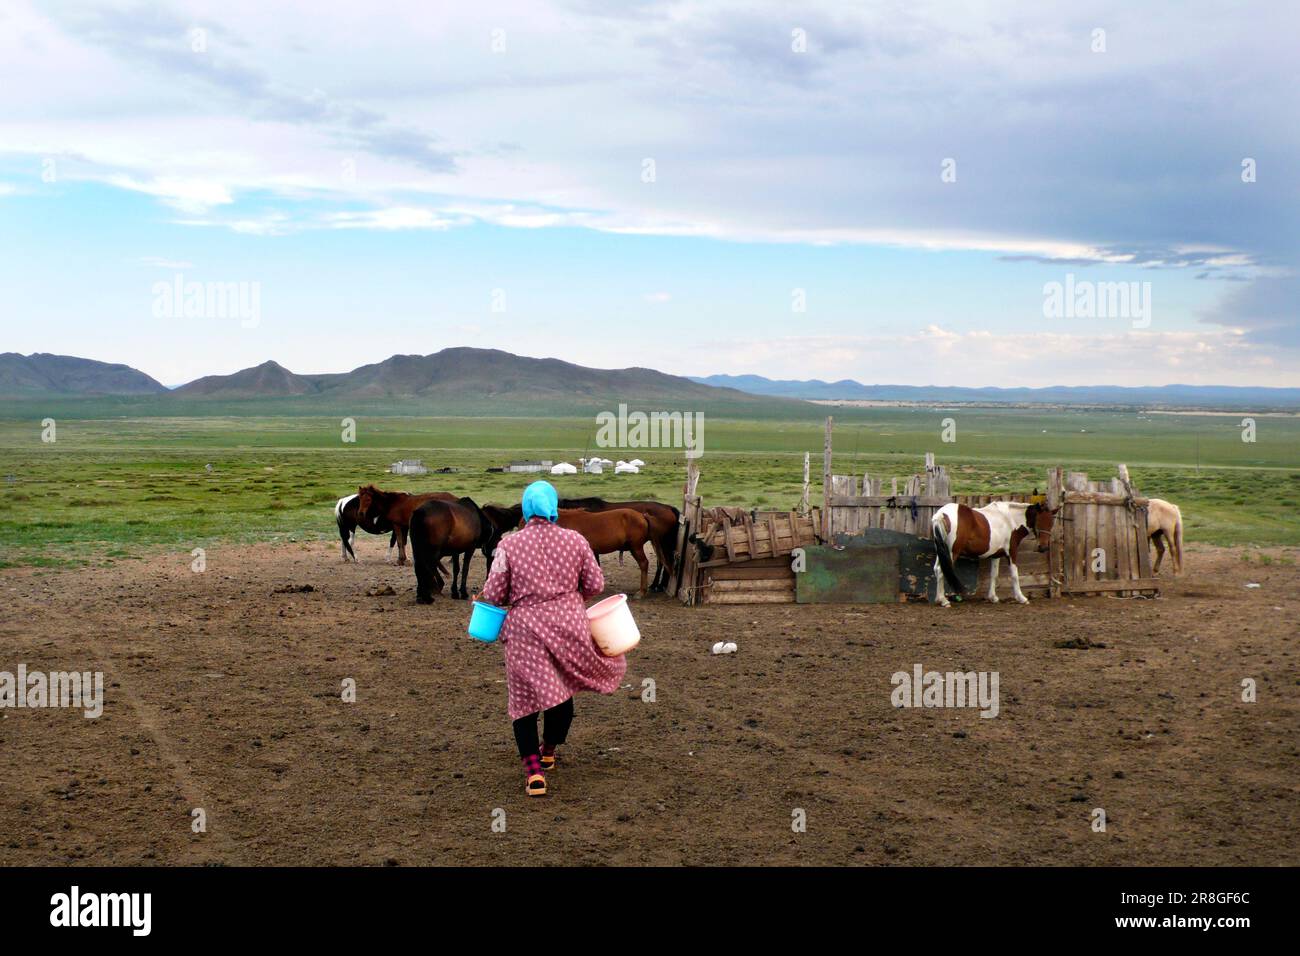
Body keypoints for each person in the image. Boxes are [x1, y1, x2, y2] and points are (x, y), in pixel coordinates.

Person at [479, 480, 626, 796]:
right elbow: (595, 584)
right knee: (561, 688)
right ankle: (548, 752)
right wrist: (567, 599)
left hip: (525, 631)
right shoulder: (575, 540)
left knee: (524, 698)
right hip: (569, 626)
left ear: (526, 508)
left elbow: (493, 594)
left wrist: (491, 598)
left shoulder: (508, 545)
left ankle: (533, 773)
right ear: (553, 507)